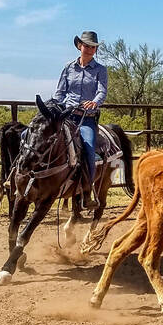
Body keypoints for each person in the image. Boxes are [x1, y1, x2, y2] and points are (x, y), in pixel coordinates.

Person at [51, 30, 108, 206]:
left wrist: (95, 102)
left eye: (93, 47)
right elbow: (60, 92)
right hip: (67, 116)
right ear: (79, 46)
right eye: (87, 45)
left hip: (86, 119)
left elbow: (102, 91)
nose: (90, 49)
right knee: (41, 139)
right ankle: (29, 180)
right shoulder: (68, 68)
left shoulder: (100, 70)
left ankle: (86, 192)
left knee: (89, 149)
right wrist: (54, 107)